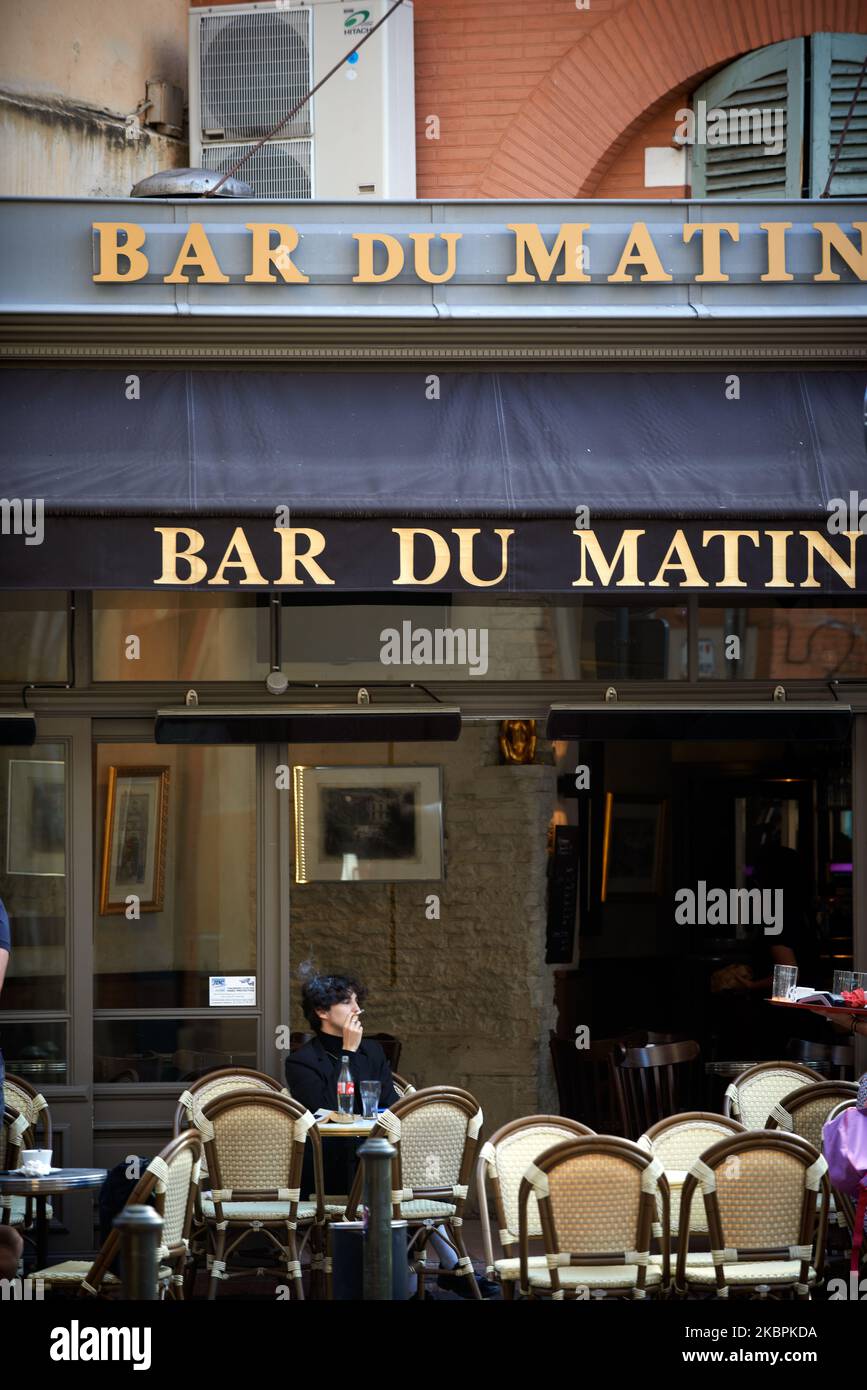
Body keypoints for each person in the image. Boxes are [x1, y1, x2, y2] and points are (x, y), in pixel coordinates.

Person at [286, 972, 496, 1298]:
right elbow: (327, 1109)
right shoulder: (302, 1061)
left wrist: (357, 1054)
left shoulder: (373, 1051)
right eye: (347, 1001)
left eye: (357, 1000)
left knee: (422, 1171)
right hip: (331, 1165)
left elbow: (392, 1108)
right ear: (321, 1012)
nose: (358, 1009)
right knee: (395, 1178)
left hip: (377, 1155)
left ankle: (438, 1267)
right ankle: (446, 1268)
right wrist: (348, 1054)